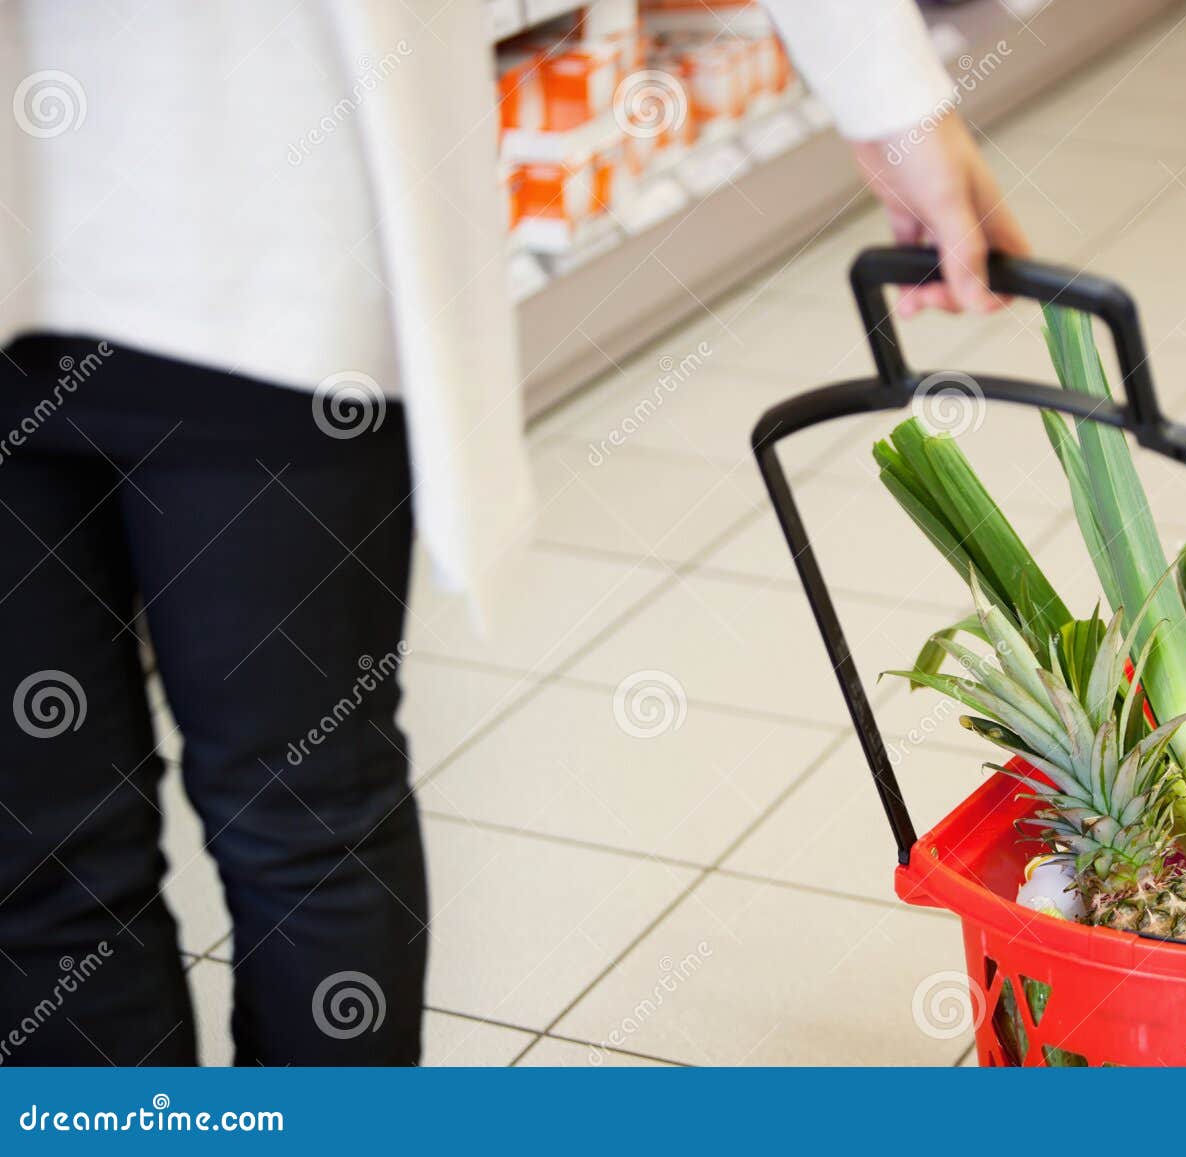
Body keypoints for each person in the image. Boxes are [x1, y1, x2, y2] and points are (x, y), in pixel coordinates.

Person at [0, 0, 1029, 1065]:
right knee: (84, 847)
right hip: (215, 229)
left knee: (266, 819)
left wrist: (894, 101)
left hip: (274, 225)